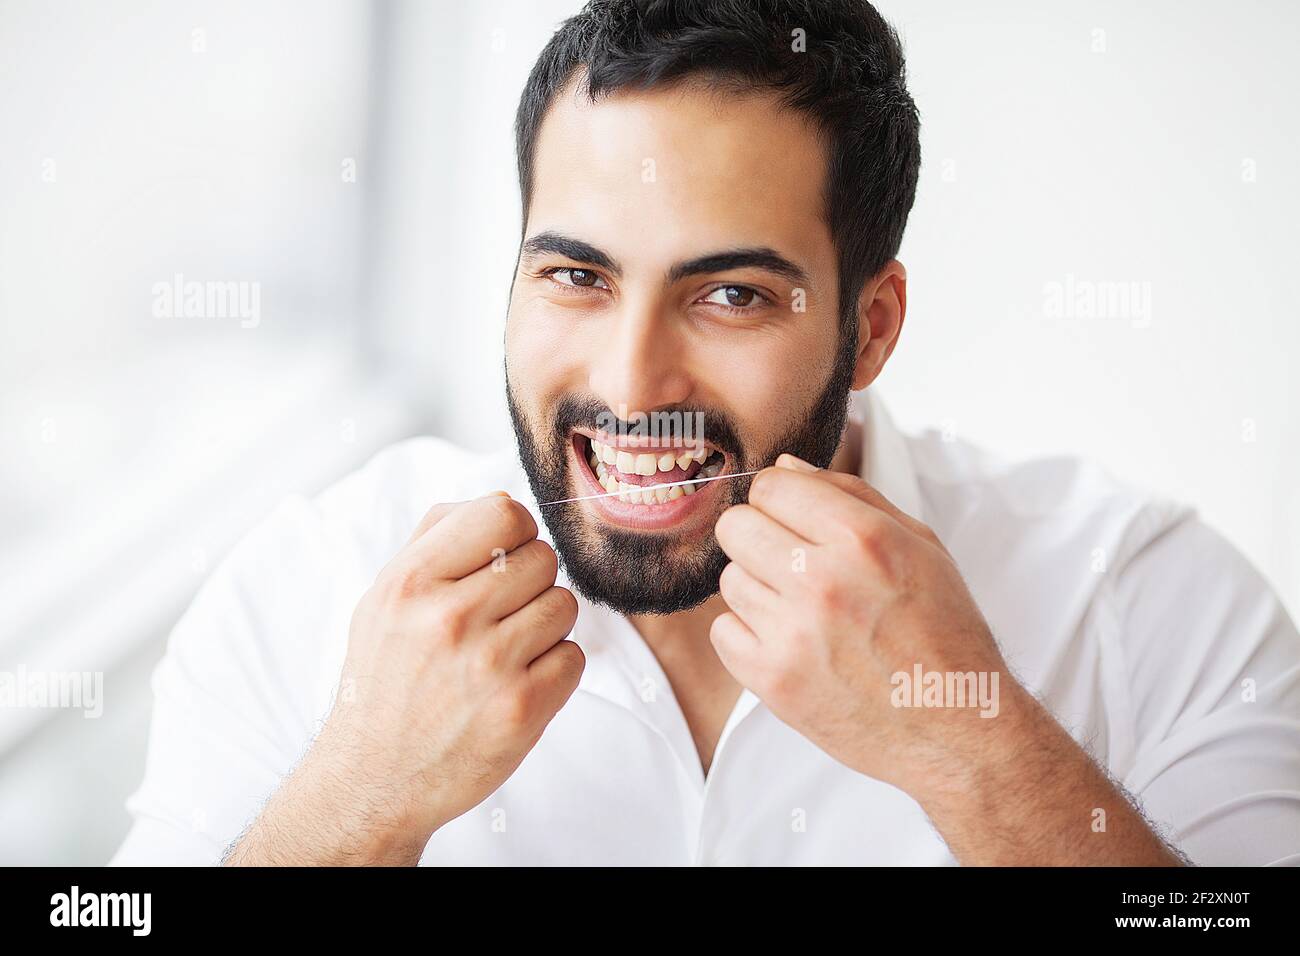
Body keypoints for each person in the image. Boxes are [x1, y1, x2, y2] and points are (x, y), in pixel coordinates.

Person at [113, 0, 1300, 866]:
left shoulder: (1148, 600)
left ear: (870, 324)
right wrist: (357, 800)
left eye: (729, 294)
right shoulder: (307, 587)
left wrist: (967, 742)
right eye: (576, 275)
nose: (631, 383)